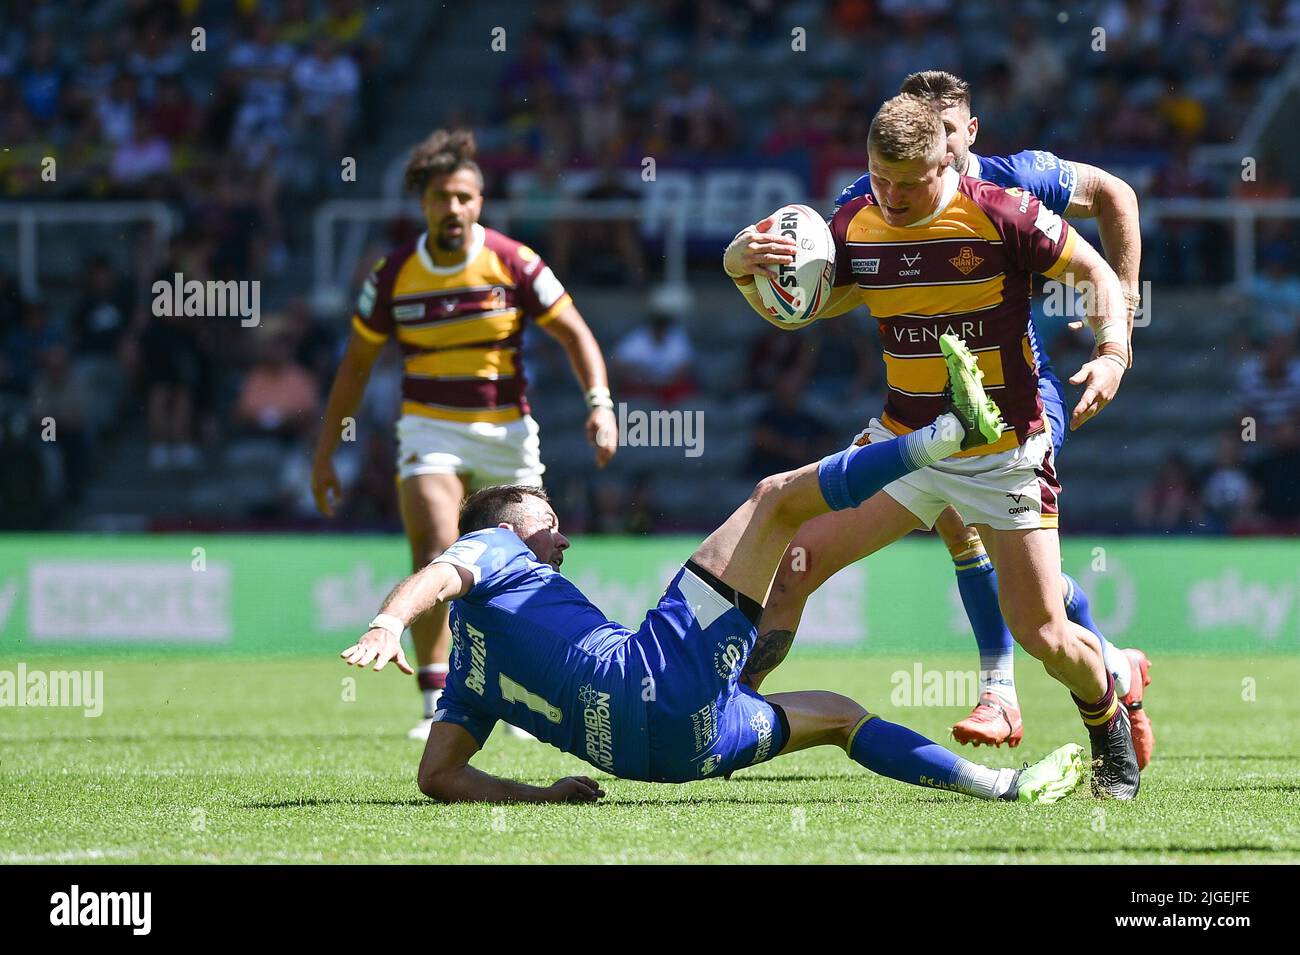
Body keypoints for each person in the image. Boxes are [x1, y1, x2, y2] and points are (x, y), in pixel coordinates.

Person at [342, 336, 1084, 805]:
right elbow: (442, 569)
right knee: (774, 500)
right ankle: (948, 435)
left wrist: (540, 797)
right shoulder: (496, 550)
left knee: (839, 715)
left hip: (667, 755)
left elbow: (438, 775)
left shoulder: (470, 675)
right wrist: (388, 620)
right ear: (506, 529)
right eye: (547, 518)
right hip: (650, 679)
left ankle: (1006, 787)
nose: (562, 537)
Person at [725, 94, 1142, 798]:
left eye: (907, 182)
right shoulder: (857, 219)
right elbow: (804, 308)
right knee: (793, 565)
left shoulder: (1001, 211)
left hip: (1003, 448)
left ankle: (1108, 723)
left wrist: (1112, 349)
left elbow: (1095, 272)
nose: (889, 196)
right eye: (877, 177)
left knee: (1042, 631)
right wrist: (743, 267)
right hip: (904, 443)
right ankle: (724, 720)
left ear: (948, 156)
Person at [828, 69, 1153, 764]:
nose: (936, 146)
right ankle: (1116, 669)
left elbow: (1115, 194)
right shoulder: (878, 194)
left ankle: (1001, 689)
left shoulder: (1017, 183)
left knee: (966, 506)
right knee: (1009, 554)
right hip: (928, 400)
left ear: (967, 133)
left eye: (948, 131)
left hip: (1026, 392)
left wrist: (1120, 318)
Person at [313, 128, 618, 739]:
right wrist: (325, 454)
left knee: (530, 562)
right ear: (422, 204)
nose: (452, 209)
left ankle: (528, 695)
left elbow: (576, 333)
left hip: (506, 430)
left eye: (463, 198)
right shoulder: (393, 274)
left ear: (479, 202)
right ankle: (436, 699)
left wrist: (600, 403)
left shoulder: (514, 261)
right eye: (440, 198)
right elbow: (355, 367)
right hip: (429, 427)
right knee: (435, 543)